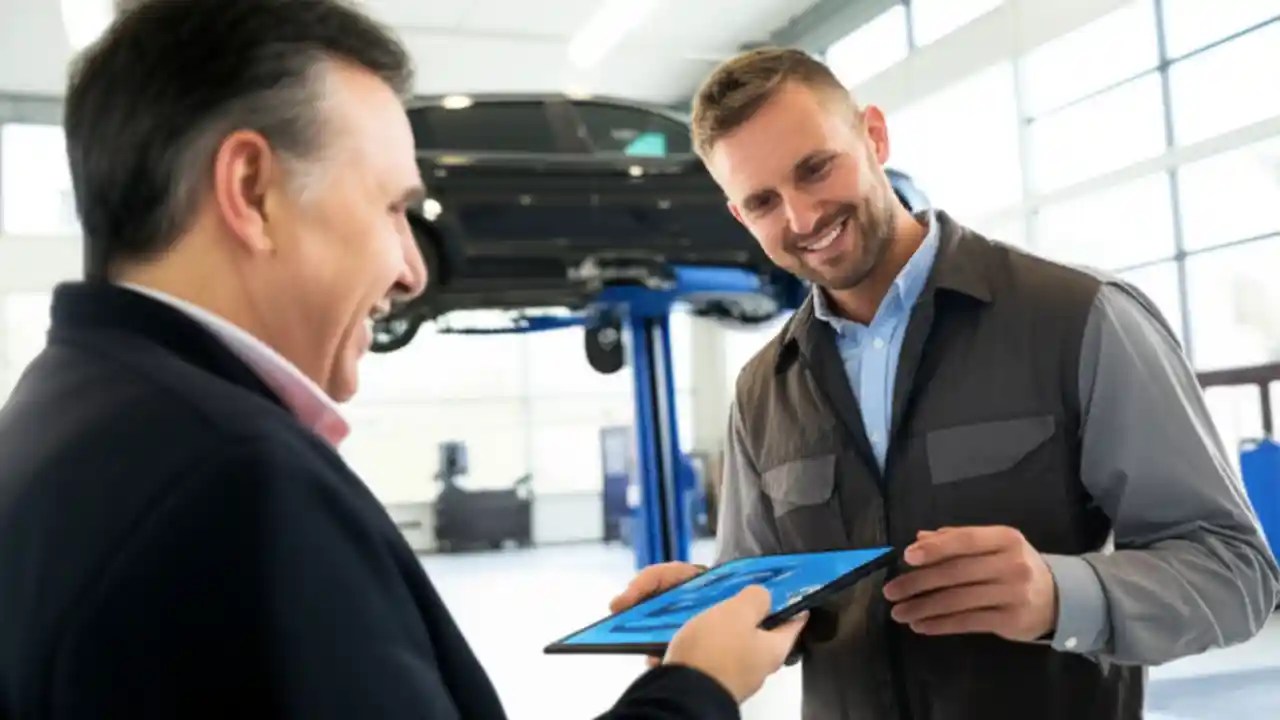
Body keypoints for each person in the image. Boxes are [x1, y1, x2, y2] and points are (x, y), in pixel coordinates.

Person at [0, 2, 807, 718]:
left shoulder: (60, 414)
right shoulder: (236, 482)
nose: (412, 269)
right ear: (251, 191)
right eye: (393, 208)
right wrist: (698, 688)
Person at [610, 47, 1280, 720]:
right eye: (763, 201)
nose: (803, 217)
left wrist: (1059, 593)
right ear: (738, 213)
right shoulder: (763, 389)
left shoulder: (1078, 319)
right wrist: (702, 609)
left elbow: (1234, 573)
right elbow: (773, 604)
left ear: (873, 135)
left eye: (816, 169)